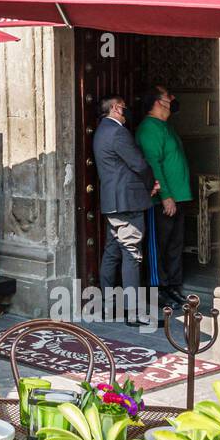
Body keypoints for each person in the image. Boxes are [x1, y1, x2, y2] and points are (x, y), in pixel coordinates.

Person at [92, 95, 158, 325]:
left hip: (113, 202)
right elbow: (138, 163)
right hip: (127, 202)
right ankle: (134, 312)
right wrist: (152, 184)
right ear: (115, 108)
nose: (126, 110)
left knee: (112, 252)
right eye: (123, 106)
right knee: (131, 253)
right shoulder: (117, 132)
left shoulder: (101, 131)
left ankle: (108, 306)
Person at [137, 85, 192, 308]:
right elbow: (153, 166)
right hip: (163, 199)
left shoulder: (165, 126)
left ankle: (172, 286)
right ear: (159, 102)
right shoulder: (149, 129)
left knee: (175, 244)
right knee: (158, 245)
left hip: (180, 197)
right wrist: (166, 196)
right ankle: (156, 288)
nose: (173, 98)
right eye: (169, 96)